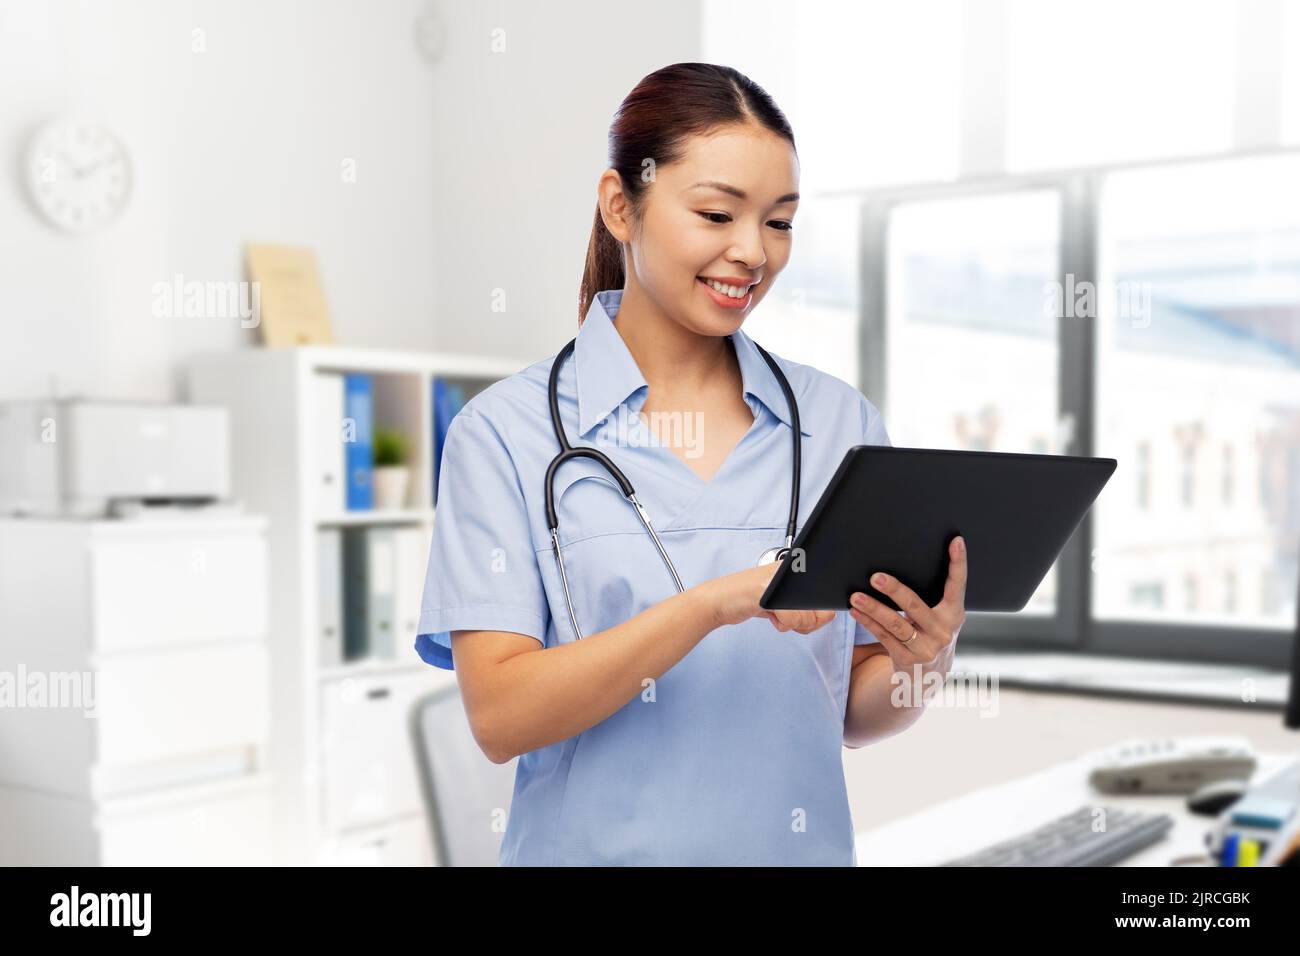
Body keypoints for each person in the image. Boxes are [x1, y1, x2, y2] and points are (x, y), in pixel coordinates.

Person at [416, 62, 967, 866]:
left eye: (779, 223)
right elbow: (500, 717)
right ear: (620, 206)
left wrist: (926, 658)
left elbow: (851, 710)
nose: (752, 252)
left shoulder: (840, 423)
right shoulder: (504, 433)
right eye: (717, 214)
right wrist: (710, 605)